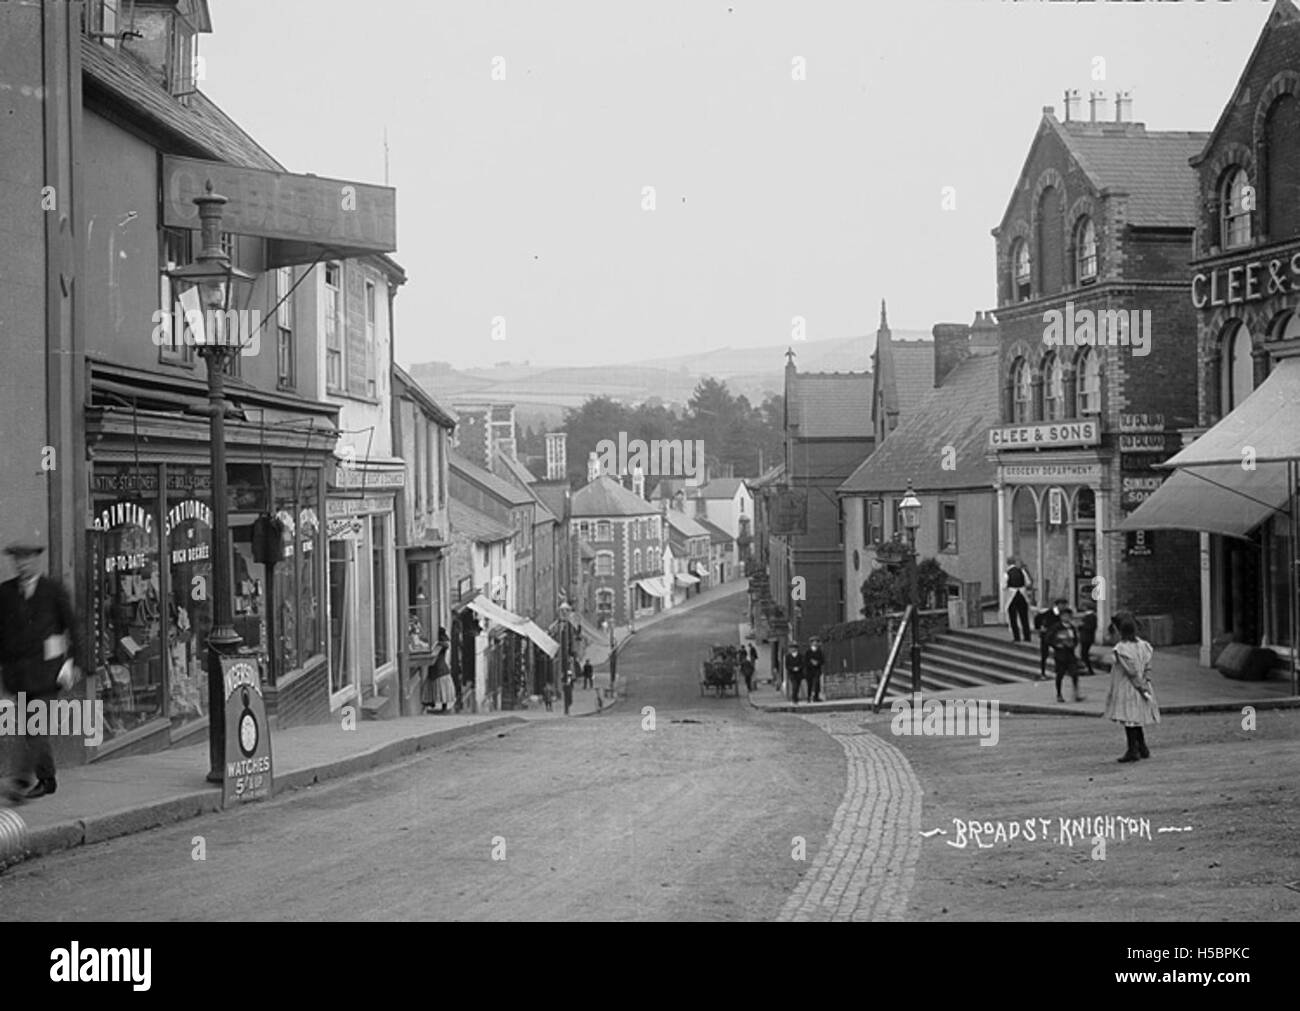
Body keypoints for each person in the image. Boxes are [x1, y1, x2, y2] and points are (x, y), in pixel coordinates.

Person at [0, 532, 83, 802]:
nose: (22, 565)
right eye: (18, 561)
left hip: (48, 674)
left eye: (27, 560)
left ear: (37, 561)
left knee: (35, 728)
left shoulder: (53, 590)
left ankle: (24, 781)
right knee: (29, 729)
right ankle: (46, 778)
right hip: (18, 675)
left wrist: (76, 663)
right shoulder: (5, 592)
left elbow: (73, 627)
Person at [1103, 611, 1159, 762]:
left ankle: (1132, 750)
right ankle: (1142, 747)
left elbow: (1130, 672)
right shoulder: (1144, 646)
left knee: (1129, 720)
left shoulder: (1121, 649)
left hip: (1129, 688)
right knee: (1136, 719)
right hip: (1142, 685)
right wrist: (1146, 684)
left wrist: (1140, 687)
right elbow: (1148, 667)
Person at [1047, 605, 1083, 703]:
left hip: (1070, 654)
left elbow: (1075, 639)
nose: (1066, 618)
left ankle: (1076, 693)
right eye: (1064, 616)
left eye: (1068, 616)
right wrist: (1057, 645)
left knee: (1075, 673)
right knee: (1060, 675)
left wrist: (1073, 645)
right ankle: (1059, 694)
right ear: (1061, 617)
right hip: (1060, 655)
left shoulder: (1072, 627)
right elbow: (1049, 639)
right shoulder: (1056, 627)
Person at [1035, 598, 1065, 681]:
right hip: (1046, 636)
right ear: (1057, 605)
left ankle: (1058, 670)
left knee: (1058, 652)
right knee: (1044, 654)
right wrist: (1039, 628)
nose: (1063, 607)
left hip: (1055, 636)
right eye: (1062, 605)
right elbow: (1038, 618)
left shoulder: (1062, 613)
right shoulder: (1049, 612)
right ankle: (1043, 672)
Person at [1004, 558, 1033, 642]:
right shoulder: (1022, 571)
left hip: (1012, 596)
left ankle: (1016, 637)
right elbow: (1028, 582)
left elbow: (1004, 586)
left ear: (1008, 563)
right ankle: (1027, 637)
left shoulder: (1007, 573)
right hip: (1022, 595)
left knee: (1013, 618)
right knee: (1024, 617)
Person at [428, 628, 454, 714]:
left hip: (439, 669)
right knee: (440, 688)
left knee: (441, 688)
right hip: (439, 669)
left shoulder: (441, 645)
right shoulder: (442, 644)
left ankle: (440, 706)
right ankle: (435, 704)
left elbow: (434, 653)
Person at [804, 636, 826, 703]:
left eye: (816, 642)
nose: (815, 643)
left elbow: (823, 660)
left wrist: (817, 662)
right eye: (813, 642)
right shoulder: (808, 652)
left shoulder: (819, 652)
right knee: (809, 684)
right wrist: (811, 663)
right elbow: (805, 661)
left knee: (817, 683)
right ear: (811, 643)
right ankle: (808, 697)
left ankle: (816, 697)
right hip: (809, 670)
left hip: (817, 670)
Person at [1077, 609, 1098, 677]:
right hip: (1084, 637)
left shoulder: (1092, 617)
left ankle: (1089, 669)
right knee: (1083, 653)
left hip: (1087, 638)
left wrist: (1083, 625)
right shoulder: (1086, 616)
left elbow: (1091, 627)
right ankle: (1086, 668)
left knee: (1084, 654)